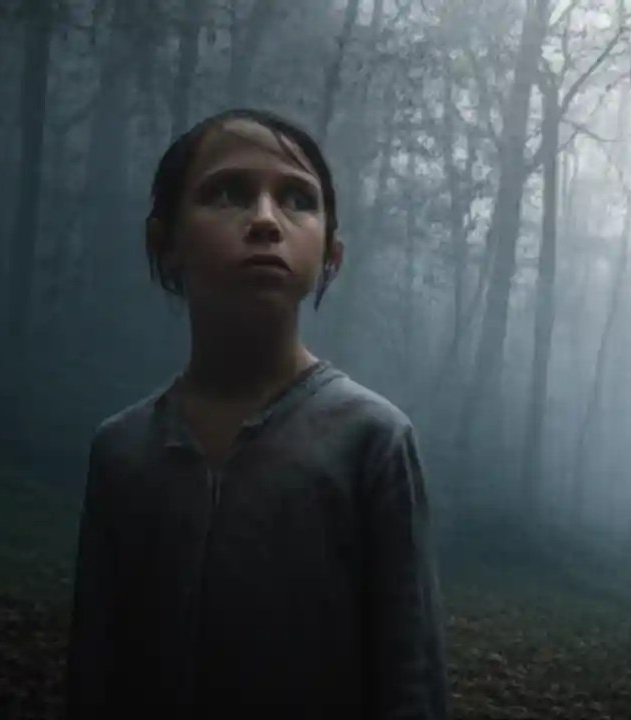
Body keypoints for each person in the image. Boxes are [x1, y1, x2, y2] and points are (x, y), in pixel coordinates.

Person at [65, 108, 447, 719]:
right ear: (163, 243)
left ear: (331, 254)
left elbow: (411, 681)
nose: (266, 220)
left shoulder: (373, 441)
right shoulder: (122, 449)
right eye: (227, 192)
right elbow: (93, 672)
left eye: (298, 199)